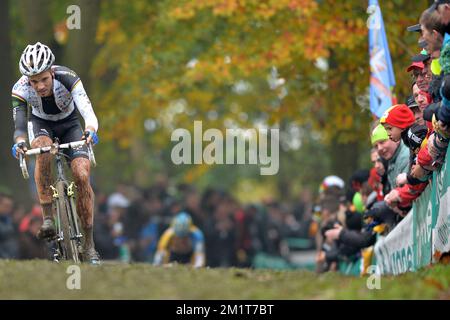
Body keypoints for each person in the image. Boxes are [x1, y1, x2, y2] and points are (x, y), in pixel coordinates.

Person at [10, 42, 100, 264]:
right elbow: (20, 125)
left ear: (52, 71)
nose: (39, 86)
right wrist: (20, 142)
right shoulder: (20, 89)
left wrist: (90, 130)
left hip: (70, 125)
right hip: (41, 124)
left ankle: (88, 245)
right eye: (34, 81)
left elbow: (87, 110)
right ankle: (48, 218)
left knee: (81, 174)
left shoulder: (68, 77)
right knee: (43, 149)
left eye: (43, 79)